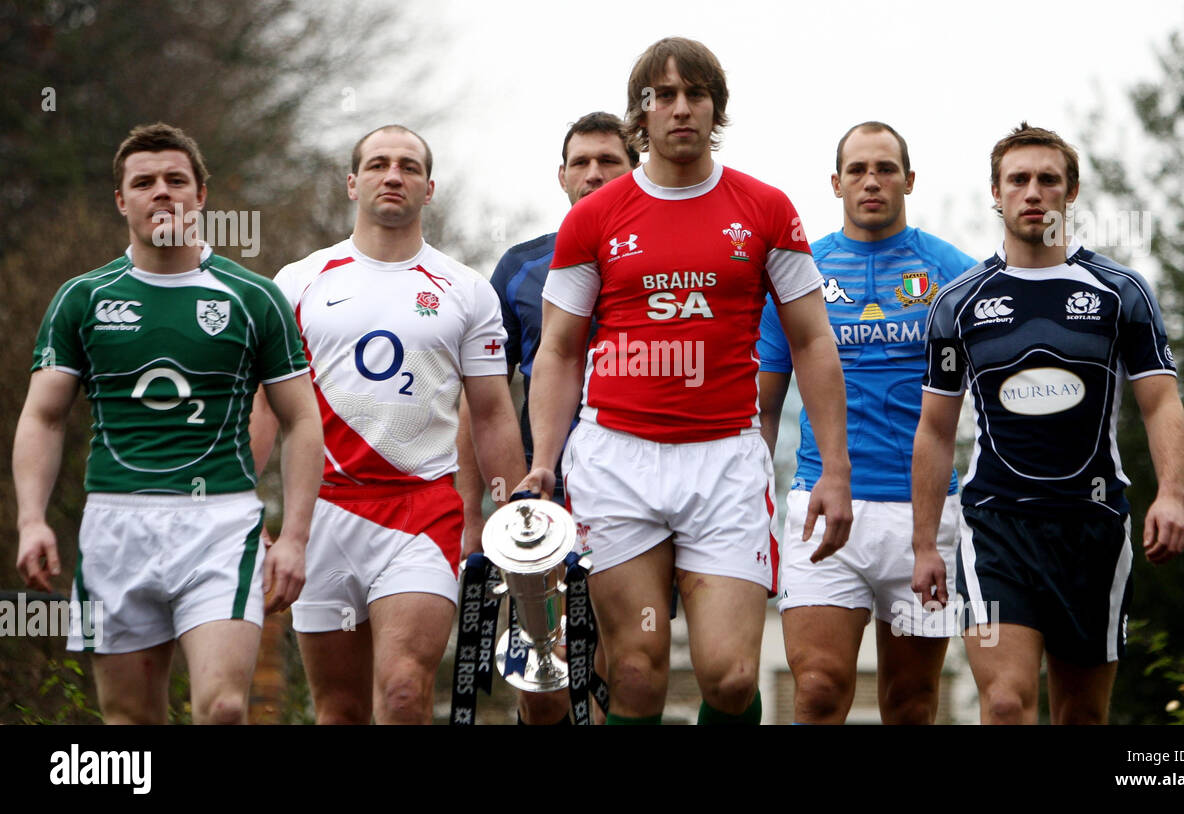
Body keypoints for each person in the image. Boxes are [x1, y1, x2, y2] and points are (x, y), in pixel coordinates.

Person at [515, 37, 852, 725]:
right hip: (616, 460)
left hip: (725, 460)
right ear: (640, 114)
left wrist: (835, 468)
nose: (680, 109)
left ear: (714, 107)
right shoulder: (593, 220)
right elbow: (557, 350)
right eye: (662, 96)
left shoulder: (765, 209)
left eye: (694, 94)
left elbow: (814, 340)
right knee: (635, 668)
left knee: (728, 677)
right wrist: (544, 462)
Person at [13, 122, 322, 724]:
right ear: (121, 200)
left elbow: (302, 420)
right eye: (144, 182)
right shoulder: (82, 298)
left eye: (176, 180)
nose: (162, 193)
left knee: (226, 708)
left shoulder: (253, 297)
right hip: (114, 525)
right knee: (129, 721)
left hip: (221, 523)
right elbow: (43, 417)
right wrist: (30, 520)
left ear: (201, 195)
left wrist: (296, 539)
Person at [911, 122, 1184, 724]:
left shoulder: (1122, 292)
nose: (1033, 192)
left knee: (1081, 715)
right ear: (996, 191)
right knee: (1007, 702)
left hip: (1093, 527)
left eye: (1047, 179)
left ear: (1071, 192)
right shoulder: (958, 303)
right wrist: (925, 543)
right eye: (1018, 180)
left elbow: (1161, 402)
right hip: (995, 524)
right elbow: (935, 429)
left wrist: (1171, 495)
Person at [253, 124, 525, 724]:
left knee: (403, 692)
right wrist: (241, 508)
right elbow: (266, 407)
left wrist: (514, 518)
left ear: (429, 189)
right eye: (378, 164)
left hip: (421, 510)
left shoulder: (466, 290)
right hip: (322, 510)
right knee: (339, 709)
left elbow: (491, 412)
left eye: (408, 166)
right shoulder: (297, 282)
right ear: (354, 183)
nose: (393, 175)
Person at [758, 121, 976, 724]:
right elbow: (765, 403)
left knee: (910, 705)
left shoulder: (956, 273)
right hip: (824, 509)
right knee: (820, 689)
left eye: (885, 169)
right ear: (835, 183)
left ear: (909, 179)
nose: (871, 181)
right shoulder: (800, 273)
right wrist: (750, 499)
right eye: (857, 170)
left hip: (927, 519)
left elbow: (994, 392)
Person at [455, 111, 637, 724]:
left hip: (637, 490)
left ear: (635, 168)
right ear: (560, 176)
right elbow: (481, 400)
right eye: (580, 163)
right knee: (542, 683)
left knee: (620, 669)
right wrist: (475, 510)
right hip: (542, 498)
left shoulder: (657, 265)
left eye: (608, 161)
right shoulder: (521, 268)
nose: (593, 174)